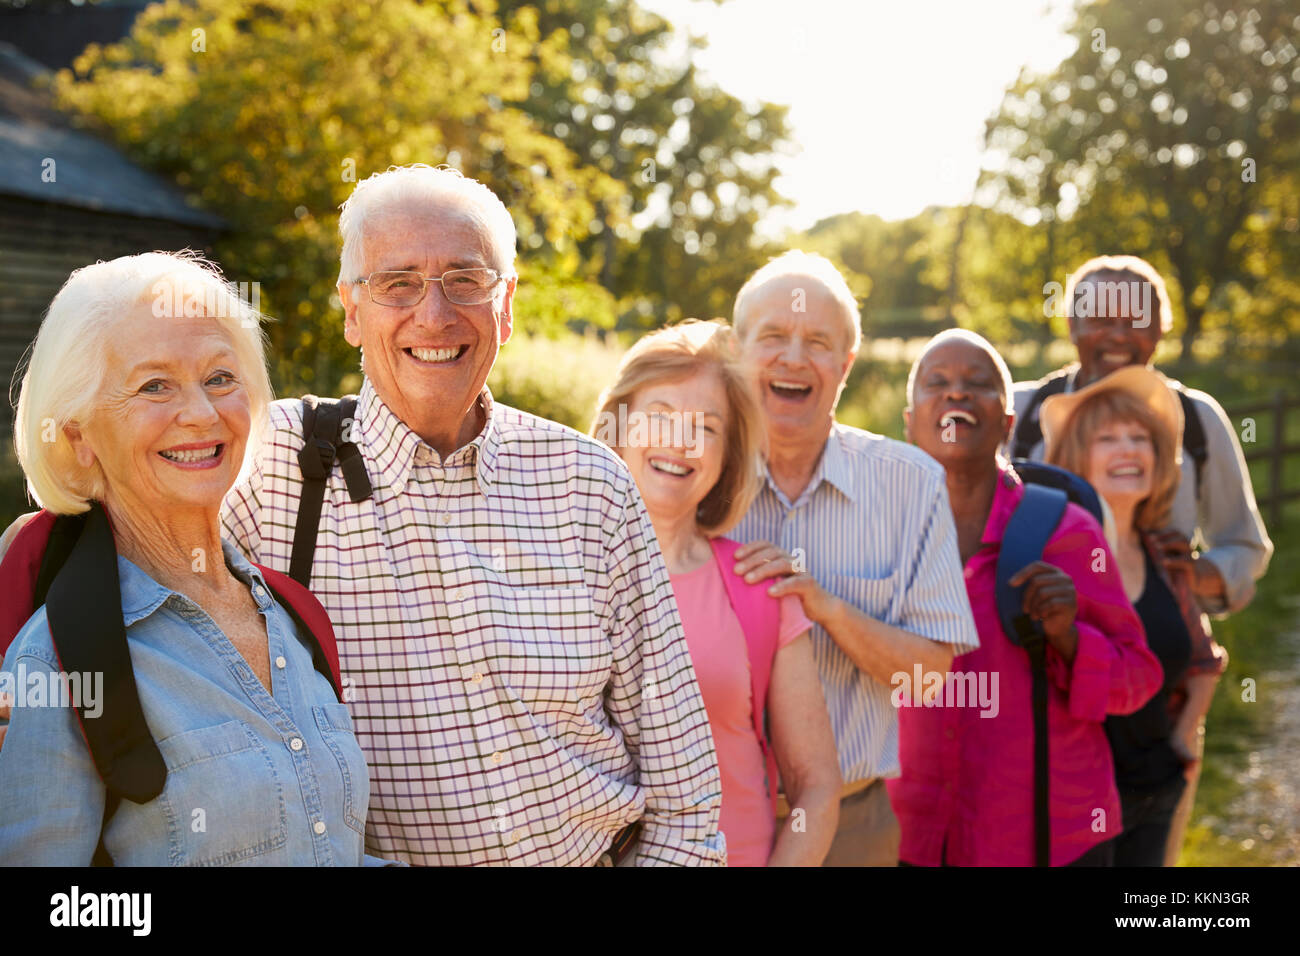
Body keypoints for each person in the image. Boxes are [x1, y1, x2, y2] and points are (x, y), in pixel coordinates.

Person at [219, 165, 724, 866]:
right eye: (398, 283)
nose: (433, 315)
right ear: (351, 311)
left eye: (465, 280)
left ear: (506, 305)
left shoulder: (590, 486)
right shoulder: (266, 467)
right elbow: (115, 546)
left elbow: (685, 797)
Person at [0, 252, 392, 865]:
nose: (202, 414)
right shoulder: (56, 661)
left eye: (220, 378)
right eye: (154, 385)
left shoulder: (295, 618)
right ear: (76, 437)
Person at [722, 251, 980, 866]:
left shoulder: (911, 484)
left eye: (817, 341)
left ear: (847, 364)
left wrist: (829, 608)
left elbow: (930, 678)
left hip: (854, 831)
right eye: (774, 337)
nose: (793, 357)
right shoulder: (688, 476)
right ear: (735, 349)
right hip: (708, 823)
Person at [1010, 254, 1271, 862]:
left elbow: (1247, 546)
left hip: (1162, 705)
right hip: (1044, 703)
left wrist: (1197, 574)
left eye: (1138, 318)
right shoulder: (1020, 413)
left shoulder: (1198, 420)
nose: (1119, 333)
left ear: (1162, 329)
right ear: (1070, 326)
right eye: (1099, 316)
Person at [886, 328, 1163, 866]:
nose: (956, 393)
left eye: (979, 383)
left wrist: (1068, 636)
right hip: (912, 836)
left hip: (1048, 841)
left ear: (1009, 422)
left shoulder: (1065, 530)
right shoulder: (877, 532)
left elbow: (1139, 678)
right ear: (909, 420)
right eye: (935, 383)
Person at [592, 319, 841, 866]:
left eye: (706, 427)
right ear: (617, 425)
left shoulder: (759, 589)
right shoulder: (550, 572)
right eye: (659, 416)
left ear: (727, 455)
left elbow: (817, 787)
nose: (679, 443)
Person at [1041, 365, 1227, 866]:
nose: (1128, 450)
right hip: (1073, 799)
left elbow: (1204, 660)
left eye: (1140, 438)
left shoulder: (1164, 558)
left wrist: (1183, 736)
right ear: (1076, 456)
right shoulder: (1049, 555)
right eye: (1108, 438)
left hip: (1157, 785)